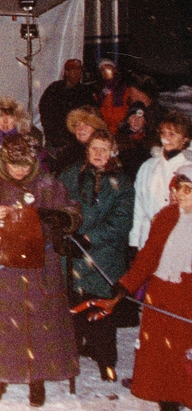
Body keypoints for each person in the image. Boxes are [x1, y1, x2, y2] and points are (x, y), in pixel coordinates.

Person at [0, 134, 80, 406]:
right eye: (14, 165)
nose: (19, 170)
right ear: (5, 160)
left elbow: (72, 210)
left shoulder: (46, 183)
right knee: (1, 321)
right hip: (1, 263)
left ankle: (36, 379)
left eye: (25, 165)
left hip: (39, 264)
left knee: (37, 323)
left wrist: (58, 217)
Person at [83, 172, 192, 411]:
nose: (180, 195)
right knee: (162, 350)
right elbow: (148, 257)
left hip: (188, 293)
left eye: (188, 189)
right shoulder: (166, 217)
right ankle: (167, 398)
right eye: (178, 188)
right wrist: (126, 285)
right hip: (162, 291)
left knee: (186, 349)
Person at [58, 129, 133, 382]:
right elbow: (58, 203)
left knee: (101, 310)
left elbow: (122, 219)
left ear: (112, 152)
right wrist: (67, 228)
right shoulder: (72, 175)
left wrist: (91, 237)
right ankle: (71, 353)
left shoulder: (122, 183)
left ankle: (106, 361)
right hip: (73, 253)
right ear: (86, 150)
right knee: (73, 306)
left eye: (104, 149)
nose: (98, 153)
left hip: (104, 256)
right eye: (94, 148)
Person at [131, 109, 192, 251]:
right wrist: (134, 241)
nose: (166, 138)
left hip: (179, 240)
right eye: (163, 133)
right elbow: (139, 206)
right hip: (149, 238)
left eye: (172, 134)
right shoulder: (148, 166)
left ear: (185, 139)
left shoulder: (188, 169)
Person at [38, 59, 95, 151]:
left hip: (77, 141)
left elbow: (92, 114)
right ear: (67, 72)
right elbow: (44, 110)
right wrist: (52, 133)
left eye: (79, 71)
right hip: (56, 140)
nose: (77, 74)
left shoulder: (85, 92)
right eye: (74, 71)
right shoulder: (54, 89)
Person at [115, 102, 155, 181]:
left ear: (145, 121)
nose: (136, 120)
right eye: (133, 117)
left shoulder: (152, 139)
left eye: (140, 118)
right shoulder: (119, 139)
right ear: (128, 120)